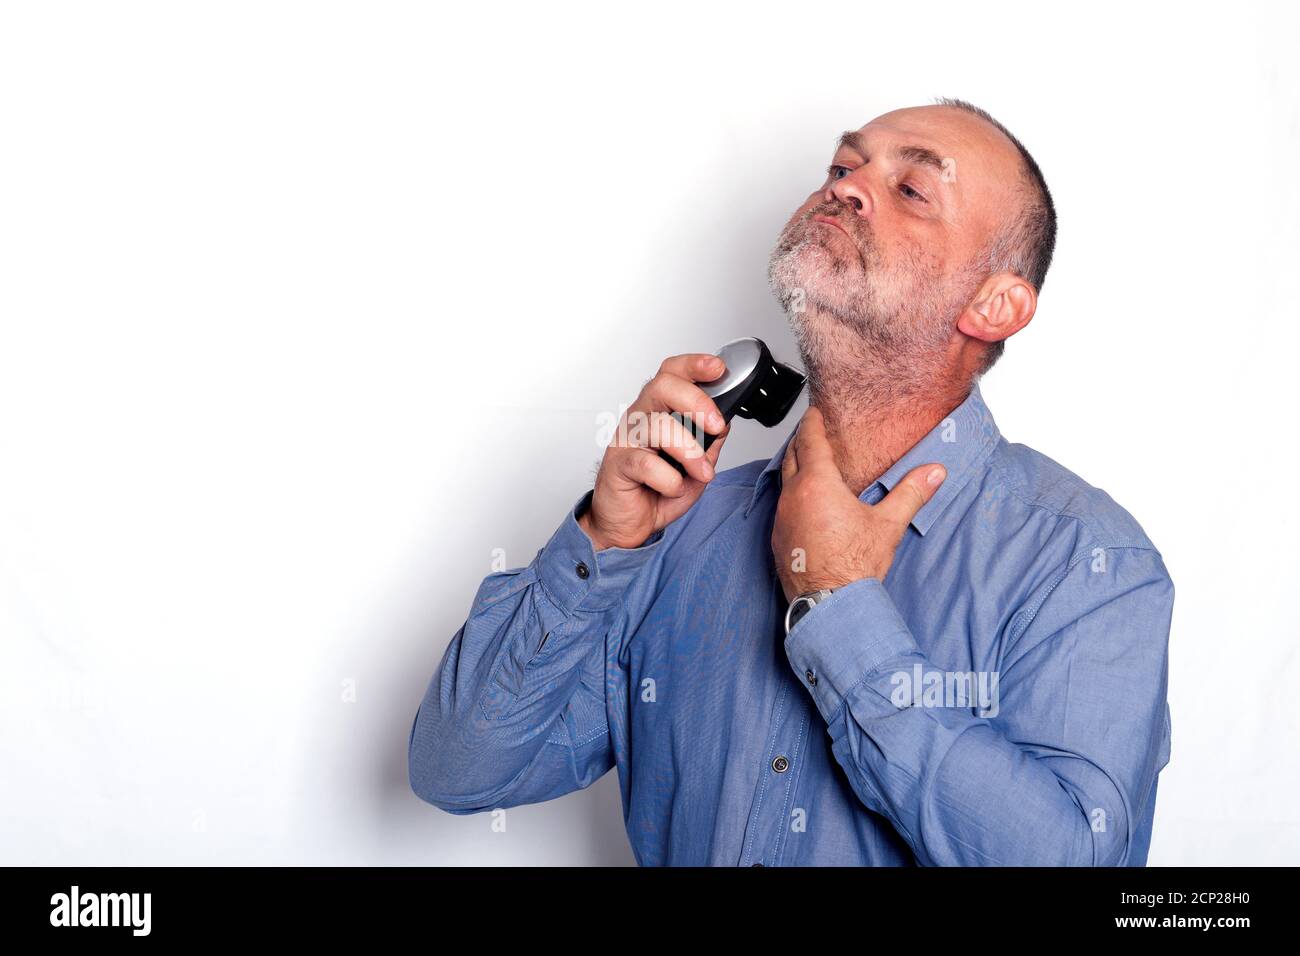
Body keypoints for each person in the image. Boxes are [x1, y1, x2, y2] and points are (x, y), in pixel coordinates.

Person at [408, 98, 1174, 866]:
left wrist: (839, 607)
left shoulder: (1087, 562)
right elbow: (458, 772)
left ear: (994, 305)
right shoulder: (681, 531)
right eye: (842, 167)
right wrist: (602, 542)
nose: (845, 187)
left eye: (911, 189)